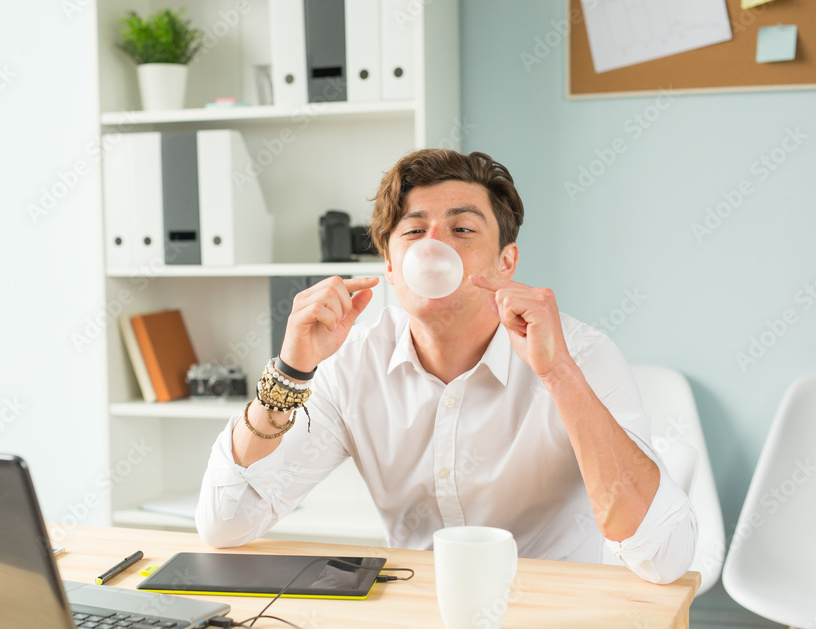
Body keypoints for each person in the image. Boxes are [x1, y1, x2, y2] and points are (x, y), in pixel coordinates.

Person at [196, 148, 697, 584]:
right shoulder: (350, 362)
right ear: (391, 266)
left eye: (461, 229)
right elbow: (225, 524)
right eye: (414, 231)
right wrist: (289, 372)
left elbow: (664, 557)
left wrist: (558, 376)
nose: (433, 246)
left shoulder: (578, 354)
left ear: (506, 262)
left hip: (553, 617)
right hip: (419, 621)